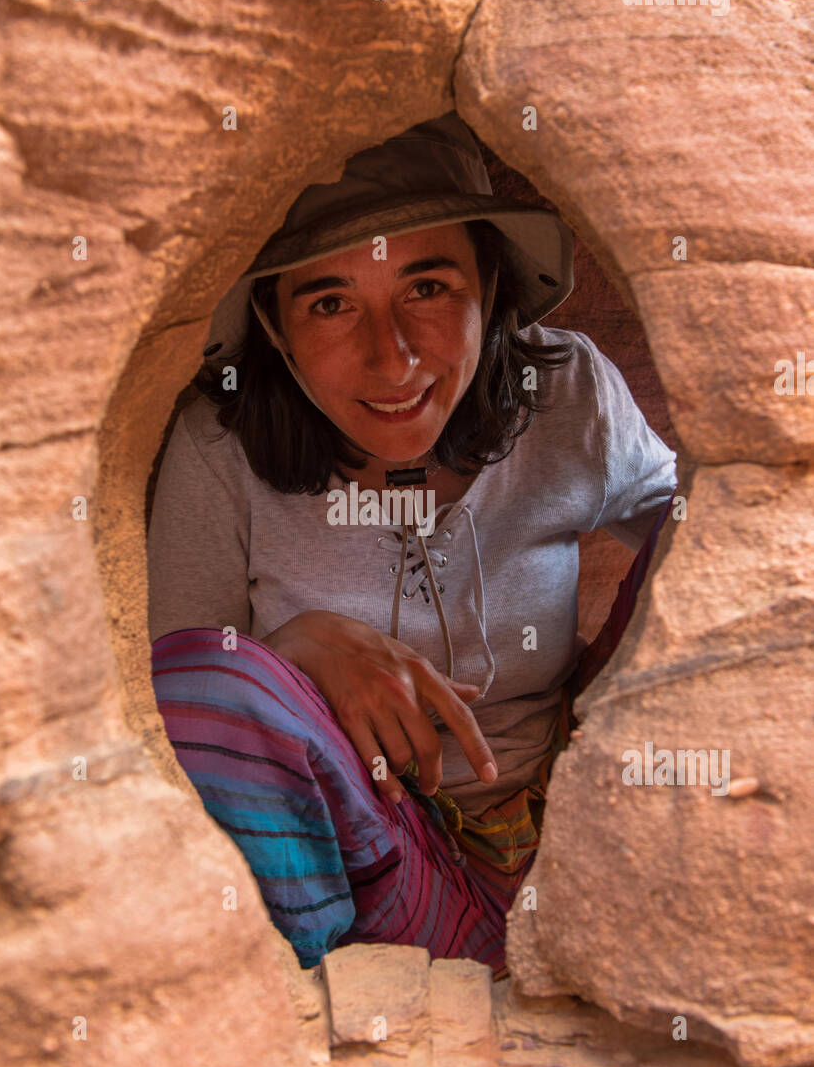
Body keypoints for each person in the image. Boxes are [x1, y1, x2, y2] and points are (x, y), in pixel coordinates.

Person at [146, 112, 677, 981]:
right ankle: (322, 1006)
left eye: (426, 289)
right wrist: (295, 647)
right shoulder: (222, 446)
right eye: (329, 303)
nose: (390, 359)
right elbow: (182, 703)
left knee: (713, 527)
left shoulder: (567, 393)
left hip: (588, 837)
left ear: (491, 290)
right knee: (215, 683)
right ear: (275, 331)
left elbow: (708, 540)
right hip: (381, 872)